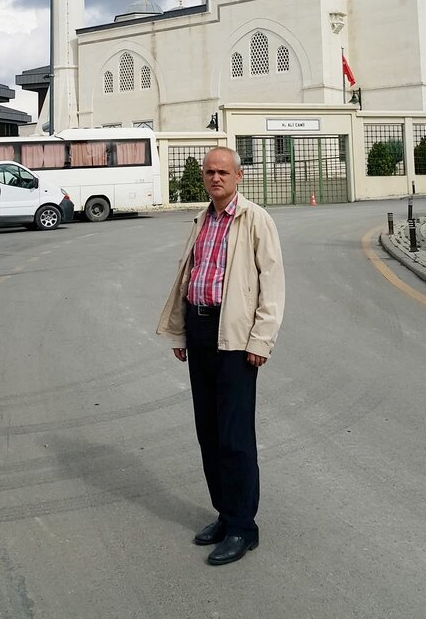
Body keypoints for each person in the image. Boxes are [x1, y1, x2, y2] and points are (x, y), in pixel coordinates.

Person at [157, 147, 285, 566]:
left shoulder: (254, 220)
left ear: (238, 176)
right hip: (199, 331)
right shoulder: (203, 219)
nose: (215, 178)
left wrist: (260, 341)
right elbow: (188, 277)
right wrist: (179, 329)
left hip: (234, 338)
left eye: (223, 172)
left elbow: (273, 285)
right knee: (208, 432)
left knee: (234, 436)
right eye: (210, 172)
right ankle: (225, 514)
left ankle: (244, 528)